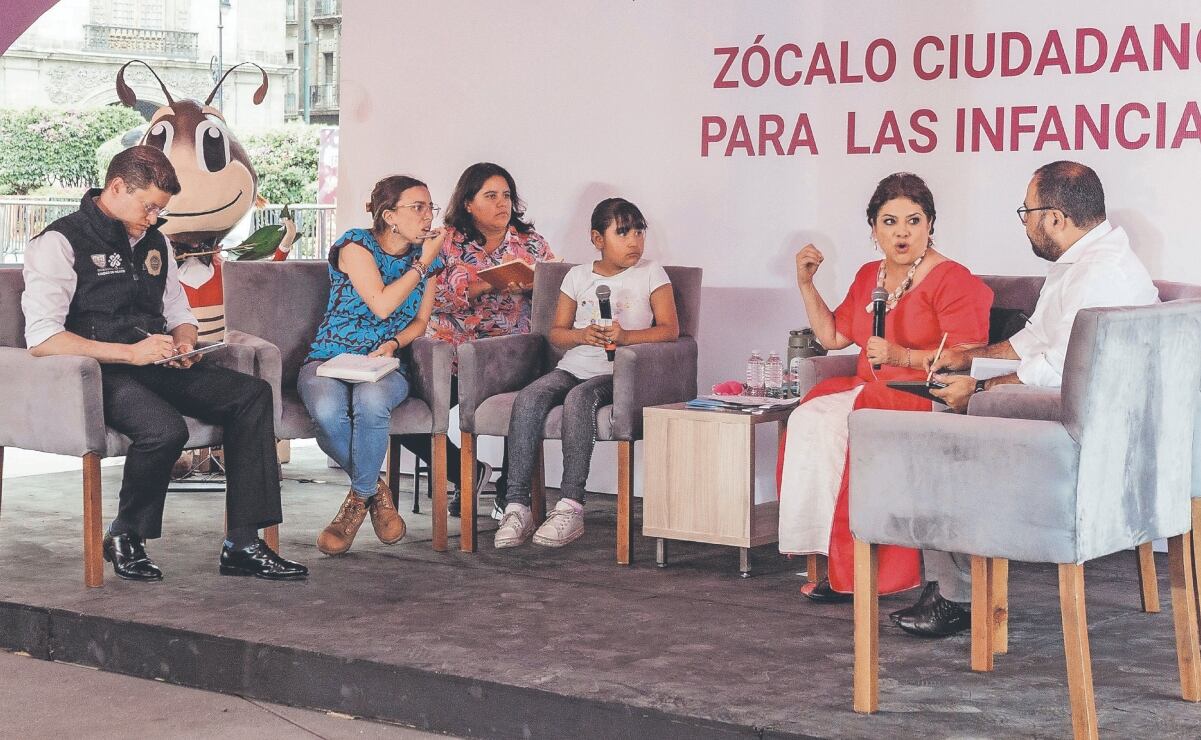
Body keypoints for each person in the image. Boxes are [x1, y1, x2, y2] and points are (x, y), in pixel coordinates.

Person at [890, 160, 1158, 637]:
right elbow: (1033, 340)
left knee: (942, 428)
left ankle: (956, 596)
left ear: (1054, 217)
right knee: (945, 399)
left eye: (1027, 212)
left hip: (1079, 441)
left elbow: (1058, 369)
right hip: (1090, 420)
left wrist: (977, 392)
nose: (1024, 223)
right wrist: (965, 358)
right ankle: (950, 586)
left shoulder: (1099, 274)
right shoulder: (1084, 260)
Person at [20, 145, 307, 581]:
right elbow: (43, 338)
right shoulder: (59, 242)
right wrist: (130, 353)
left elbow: (178, 311)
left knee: (250, 395)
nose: (155, 218)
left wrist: (184, 343)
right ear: (117, 188)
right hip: (97, 372)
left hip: (157, 362)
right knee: (163, 429)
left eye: (160, 209)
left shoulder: (156, 242)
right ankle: (126, 535)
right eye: (149, 206)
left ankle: (243, 543)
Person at [777, 172, 992, 604]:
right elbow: (833, 337)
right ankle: (837, 563)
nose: (902, 233)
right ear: (873, 229)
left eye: (913, 221)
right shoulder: (867, 276)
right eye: (889, 222)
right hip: (869, 391)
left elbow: (968, 355)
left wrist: (901, 357)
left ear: (930, 224)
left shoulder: (953, 278)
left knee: (844, 422)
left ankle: (867, 569)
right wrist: (806, 284)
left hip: (923, 398)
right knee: (809, 417)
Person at [493, 198, 678, 549]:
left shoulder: (652, 273)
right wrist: (582, 335)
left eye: (639, 232)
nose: (634, 241)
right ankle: (517, 506)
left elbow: (670, 330)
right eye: (623, 233)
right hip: (574, 365)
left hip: (618, 374)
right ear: (597, 238)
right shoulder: (577, 276)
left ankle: (571, 506)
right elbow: (557, 333)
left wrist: (626, 337)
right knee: (529, 397)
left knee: (580, 398)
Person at [298, 175, 446, 556]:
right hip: (329, 357)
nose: (428, 216)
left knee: (371, 401)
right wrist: (421, 265)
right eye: (418, 207)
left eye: (430, 207)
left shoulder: (431, 259)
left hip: (386, 363)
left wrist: (393, 344)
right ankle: (375, 492)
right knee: (326, 411)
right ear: (389, 216)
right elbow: (381, 304)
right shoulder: (355, 245)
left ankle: (353, 505)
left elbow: (420, 322)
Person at [405, 162, 557, 519]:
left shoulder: (531, 243)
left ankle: (510, 494)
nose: (502, 203)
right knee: (403, 412)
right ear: (468, 203)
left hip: (511, 359)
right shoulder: (442, 241)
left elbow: (559, 297)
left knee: (523, 405)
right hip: (453, 357)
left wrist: (535, 287)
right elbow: (425, 297)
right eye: (490, 196)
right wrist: (485, 284)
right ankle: (466, 473)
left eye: (506, 195)